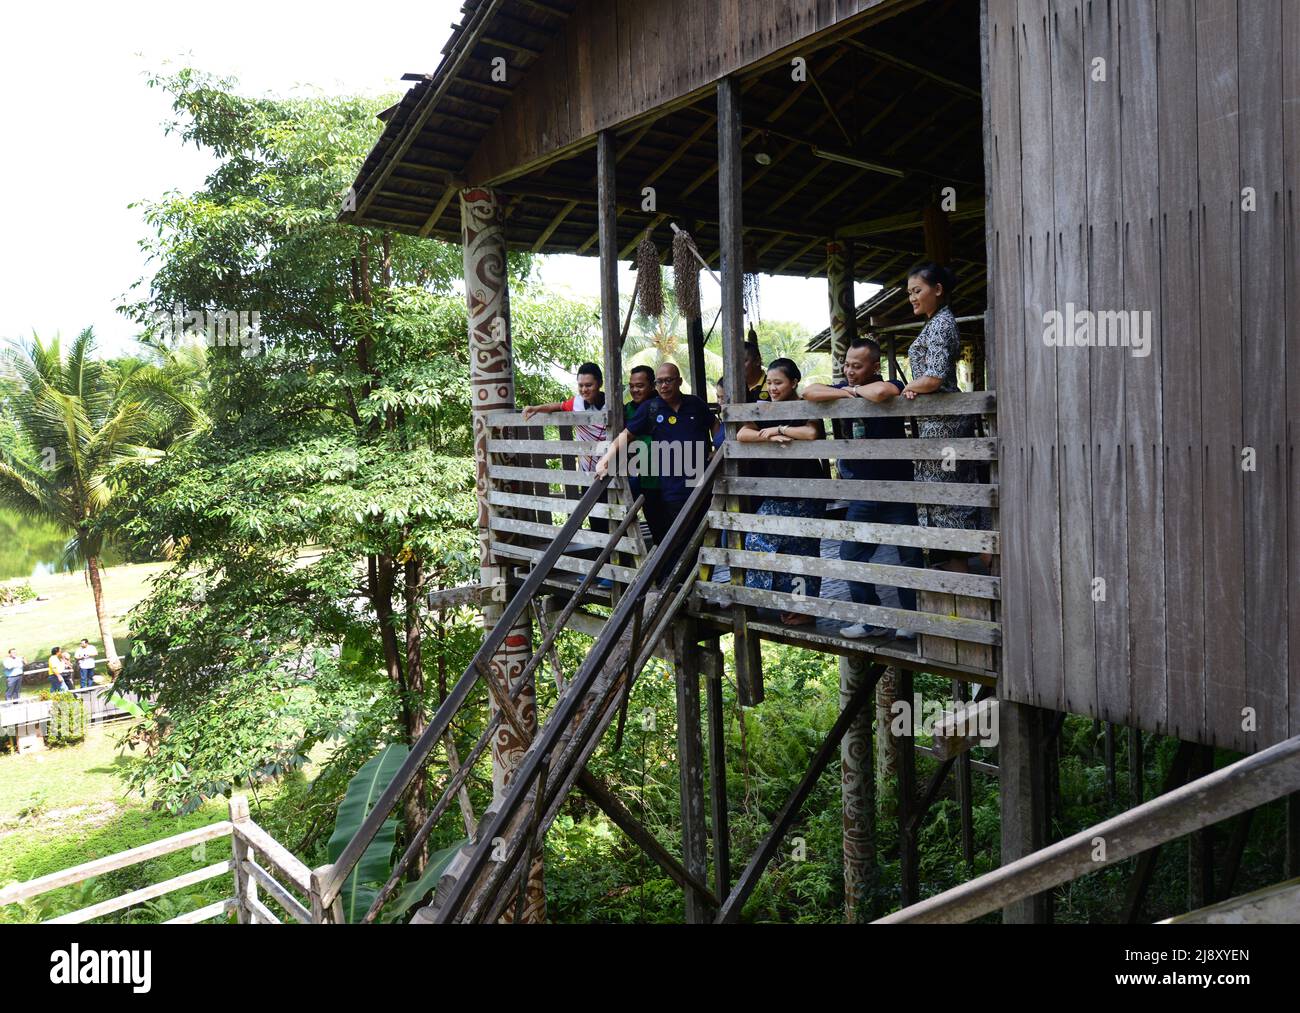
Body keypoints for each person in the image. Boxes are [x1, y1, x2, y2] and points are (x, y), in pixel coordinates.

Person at [805, 337, 922, 640]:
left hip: (897, 490)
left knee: (908, 555)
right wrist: (848, 391)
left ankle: (912, 620)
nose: (849, 370)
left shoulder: (891, 383)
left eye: (857, 366)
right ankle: (870, 619)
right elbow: (809, 391)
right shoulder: (844, 386)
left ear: (874, 366)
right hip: (862, 493)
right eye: (846, 364)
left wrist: (850, 392)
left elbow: (882, 392)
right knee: (851, 553)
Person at [596, 362, 718, 580]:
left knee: (702, 534)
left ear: (679, 381)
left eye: (669, 380)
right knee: (677, 535)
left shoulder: (696, 404)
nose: (664, 386)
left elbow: (714, 424)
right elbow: (627, 435)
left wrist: (718, 449)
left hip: (701, 482)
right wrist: (605, 460)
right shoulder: (650, 408)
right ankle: (676, 582)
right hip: (672, 486)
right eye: (659, 382)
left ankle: (698, 583)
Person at [900, 262, 980, 573]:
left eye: (917, 290)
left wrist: (907, 387)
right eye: (909, 293)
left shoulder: (942, 324)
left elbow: (933, 378)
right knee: (947, 504)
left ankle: (967, 591)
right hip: (937, 425)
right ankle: (959, 592)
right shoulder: (935, 323)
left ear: (938, 290)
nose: (912, 298)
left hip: (943, 427)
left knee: (949, 505)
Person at [735, 359, 826, 626]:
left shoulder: (806, 407)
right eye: (770, 383)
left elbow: (811, 432)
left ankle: (803, 608)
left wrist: (780, 429)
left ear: (794, 382)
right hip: (776, 490)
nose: (773, 388)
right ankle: (770, 601)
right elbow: (742, 433)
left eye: (779, 383)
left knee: (803, 552)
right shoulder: (765, 410)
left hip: (806, 491)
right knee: (758, 539)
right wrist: (769, 435)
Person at [522, 363, 612, 543]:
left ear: (600, 384)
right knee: (595, 520)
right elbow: (559, 406)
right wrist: (536, 408)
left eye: (589, 385)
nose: (584, 390)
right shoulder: (576, 402)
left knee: (614, 519)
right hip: (588, 474)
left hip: (611, 471)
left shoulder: (612, 403)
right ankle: (603, 563)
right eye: (581, 385)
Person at [743, 338, 770, 403]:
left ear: (757, 361)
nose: (738, 366)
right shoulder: (734, 389)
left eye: (744, 361)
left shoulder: (772, 386)